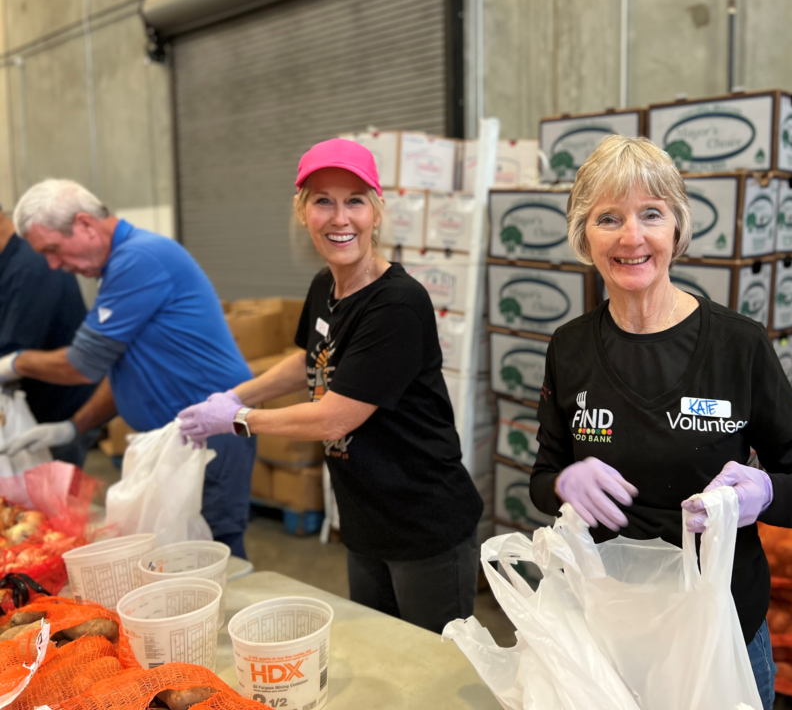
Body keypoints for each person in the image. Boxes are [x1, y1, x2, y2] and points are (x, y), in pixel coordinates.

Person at [528, 135, 792, 710]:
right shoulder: (569, 348)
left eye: (651, 215)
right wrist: (562, 482)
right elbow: (543, 476)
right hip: (612, 628)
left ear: (676, 230)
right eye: (607, 218)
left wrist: (763, 493)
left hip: (721, 632)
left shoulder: (738, 345)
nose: (631, 237)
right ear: (583, 236)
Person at [178, 138, 483, 634]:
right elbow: (310, 360)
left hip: (423, 524)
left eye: (355, 201)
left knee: (438, 669)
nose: (340, 218)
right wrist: (239, 394)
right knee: (384, 653)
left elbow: (335, 417)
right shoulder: (327, 284)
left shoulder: (397, 305)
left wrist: (237, 420)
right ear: (303, 214)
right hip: (365, 519)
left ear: (376, 213)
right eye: (323, 201)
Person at [0, 180, 255, 557]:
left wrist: (15, 362)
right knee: (174, 556)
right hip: (174, 441)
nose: (53, 264)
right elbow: (124, 370)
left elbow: (81, 365)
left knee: (214, 554)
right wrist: (74, 427)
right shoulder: (119, 269)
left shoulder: (139, 260)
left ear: (85, 224)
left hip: (208, 438)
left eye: (53, 249)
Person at [0, 205, 96, 466]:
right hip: (31, 408)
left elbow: (13, 348)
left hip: (58, 415)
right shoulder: (8, 261)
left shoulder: (31, 266)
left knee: (53, 500)